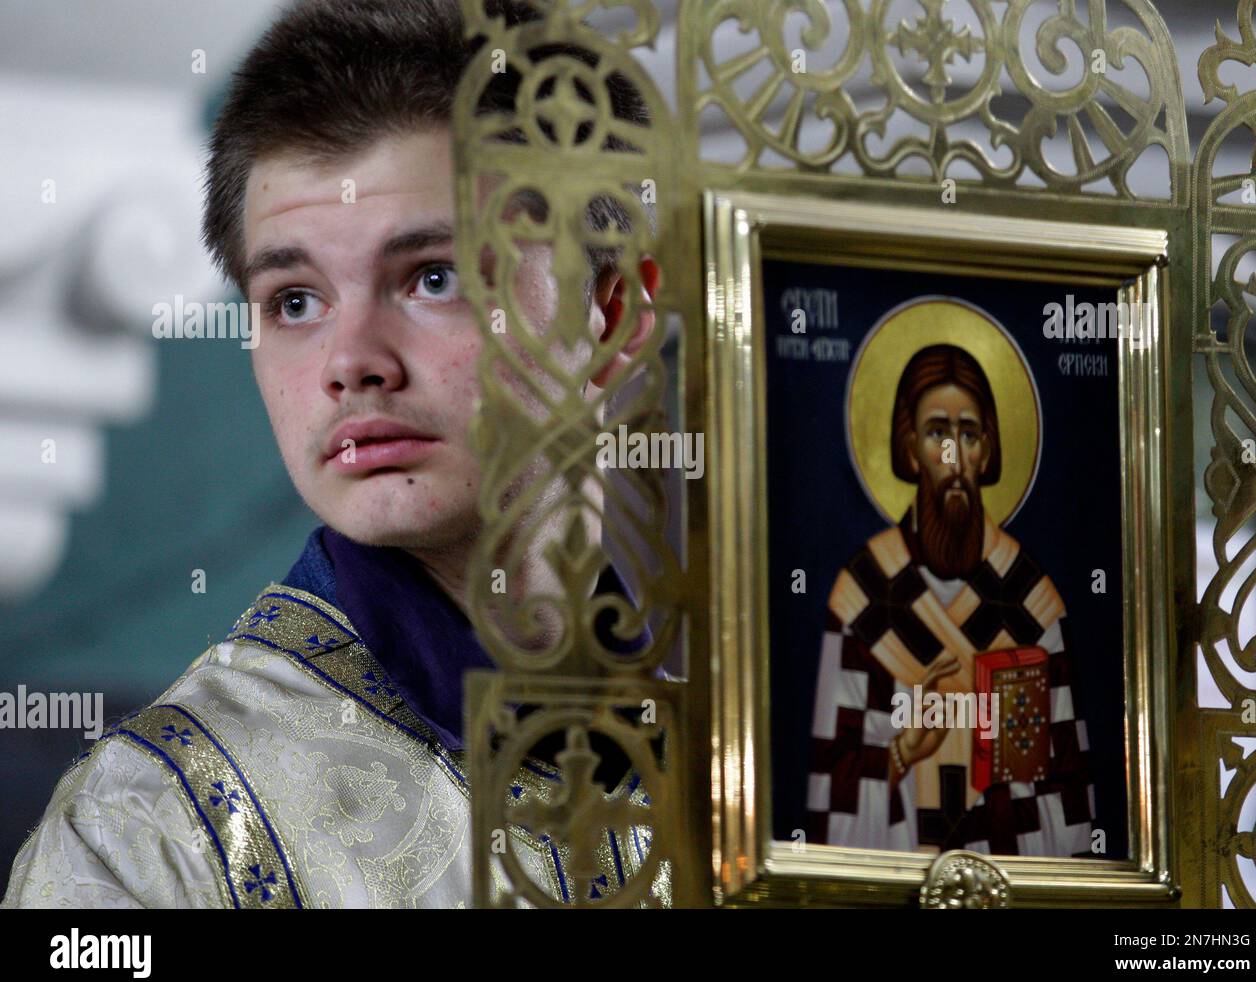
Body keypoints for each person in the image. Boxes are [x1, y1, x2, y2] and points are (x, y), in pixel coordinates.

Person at [3, 0, 663, 908]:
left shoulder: (772, 773)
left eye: (435, 278)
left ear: (614, 317)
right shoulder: (145, 837)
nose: (351, 363)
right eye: (295, 301)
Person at [805, 344, 1094, 856]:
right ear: (909, 447)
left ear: (988, 452)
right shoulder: (865, 597)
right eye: (938, 432)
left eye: (969, 434)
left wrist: (1008, 759)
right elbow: (830, 792)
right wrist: (900, 752)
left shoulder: (1031, 602)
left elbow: (1072, 808)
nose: (954, 459)